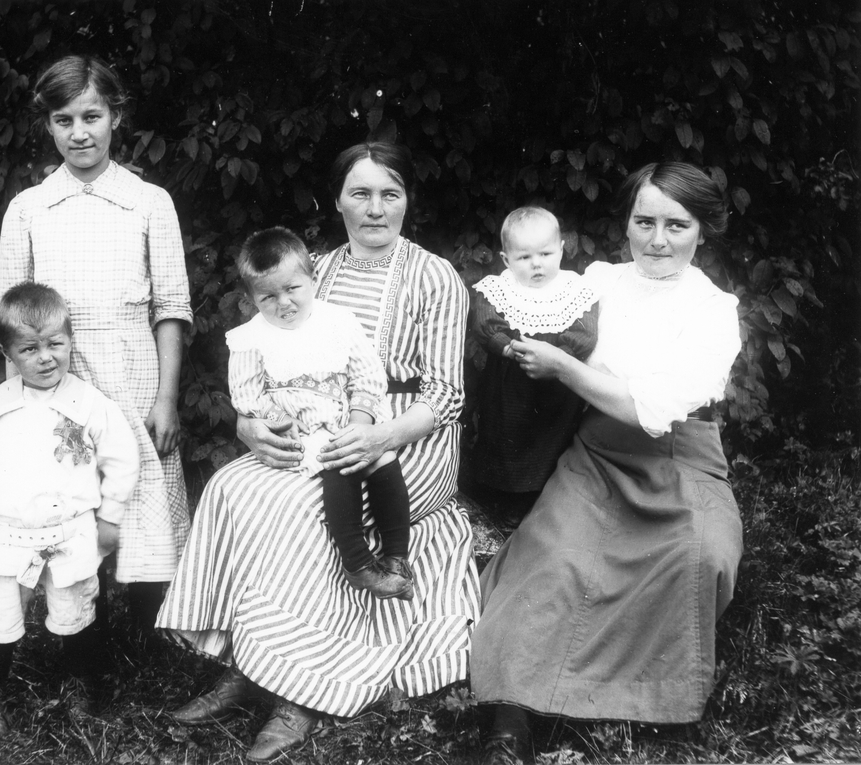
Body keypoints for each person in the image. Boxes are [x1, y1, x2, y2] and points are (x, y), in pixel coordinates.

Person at [157, 142, 481, 762]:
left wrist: (380, 433)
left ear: (408, 199)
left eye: (390, 193)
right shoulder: (316, 269)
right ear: (337, 201)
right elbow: (264, 369)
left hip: (408, 434)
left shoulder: (434, 276)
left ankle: (296, 688)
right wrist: (250, 428)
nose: (376, 208)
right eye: (360, 193)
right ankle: (246, 659)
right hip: (313, 425)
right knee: (233, 485)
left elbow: (445, 395)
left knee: (306, 506)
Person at [470, 162, 744, 765]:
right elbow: (519, 300)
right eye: (644, 221)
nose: (657, 240)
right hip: (595, 452)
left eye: (677, 224)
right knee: (552, 561)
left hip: (679, 456)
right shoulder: (596, 281)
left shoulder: (714, 309)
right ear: (626, 222)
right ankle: (511, 720)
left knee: (700, 557)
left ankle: (644, 694)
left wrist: (567, 368)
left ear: (704, 230)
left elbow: (660, 405)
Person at [0, 55, 192, 637]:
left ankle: (150, 633)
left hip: (133, 373)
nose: (79, 133)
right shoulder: (29, 209)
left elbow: (171, 310)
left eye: (91, 116)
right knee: (70, 496)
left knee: (144, 496)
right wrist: (16, 406)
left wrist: (167, 397)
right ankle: (84, 630)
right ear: (47, 125)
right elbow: (9, 321)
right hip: (59, 379)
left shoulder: (149, 202)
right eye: (63, 120)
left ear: (116, 116)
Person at [0, 283, 139, 736]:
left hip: (72, 534)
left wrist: (109, 516)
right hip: (9, 538)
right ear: (6, 351)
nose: (46, 357)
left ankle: (80, 682)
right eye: (29, 349)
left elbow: (122, 460)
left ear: (71, 339)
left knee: (76, 614)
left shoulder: (88, 404)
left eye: (56, 343)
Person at [228, 226, 413, 600]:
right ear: (251, 299)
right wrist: (277, 417)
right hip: (295, 433)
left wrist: (360, 421)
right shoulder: (251, 338)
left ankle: (396, 556)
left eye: (292, 289)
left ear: (312, 279)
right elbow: (245, 394)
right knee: (337, 465)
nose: (283, 304)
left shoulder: (337, 322)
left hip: (346, 422)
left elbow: (368, 375)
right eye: (268, 297)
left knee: (384, 460)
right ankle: (358, 564)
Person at [467, 207, 598, 529]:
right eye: (524, 257)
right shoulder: (499, 289)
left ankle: (541, 496)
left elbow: (586, 332)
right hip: (508, 382)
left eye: (546, 253)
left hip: (557, 385)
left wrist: (560, 354)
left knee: (549, 439)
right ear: (506, 258)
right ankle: (504, 494)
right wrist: (506, 346)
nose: (537, 263)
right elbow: (484, 322)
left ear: (562, 249)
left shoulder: (575, 291)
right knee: (505, 434)